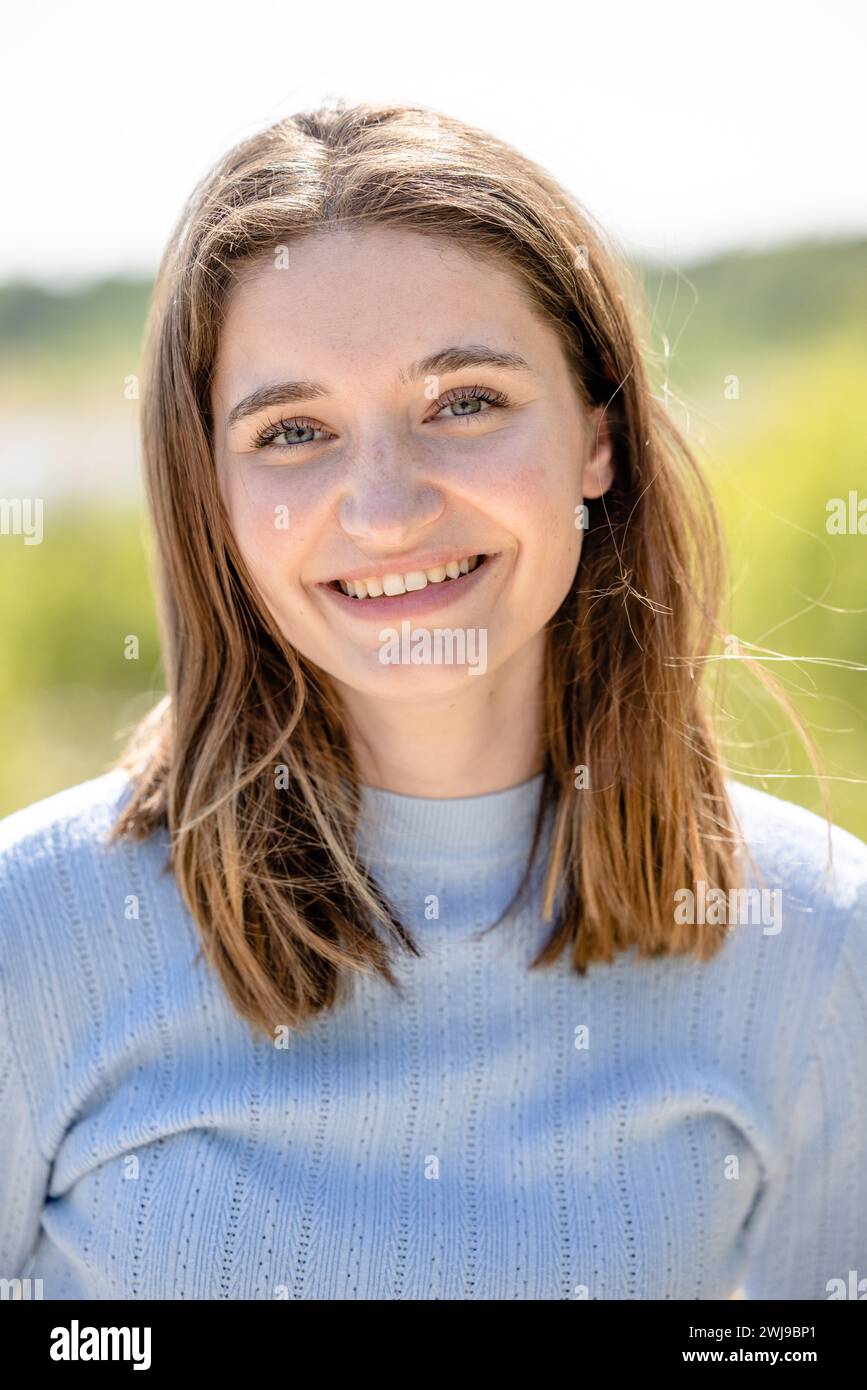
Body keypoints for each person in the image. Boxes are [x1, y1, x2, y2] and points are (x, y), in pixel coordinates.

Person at [1, 101, 865, 1301]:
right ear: (212, 492)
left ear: (598, 440)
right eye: (293, 430)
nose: (388, 507)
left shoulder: (819, 946)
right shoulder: (27, 937)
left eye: (465, 401)